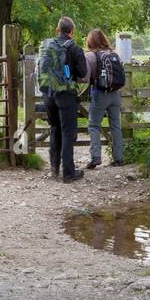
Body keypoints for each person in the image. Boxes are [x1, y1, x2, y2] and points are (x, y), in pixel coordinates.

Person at [36, 17, 88, 183]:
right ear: (71, 31)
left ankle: (54, 169)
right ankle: (68, 173)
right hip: (66, 95)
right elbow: (82, 72)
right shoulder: (74, 48)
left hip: (48, 94)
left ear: (57, 30)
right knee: (67, 131)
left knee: (54, 128)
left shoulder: (46, 45)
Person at [83, 28, 125, 168]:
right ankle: (118, 158)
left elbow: (85, 77)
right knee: (115, 126)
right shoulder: (114, 54)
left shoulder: (91, 56)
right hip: (116, 94)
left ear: (90, 41)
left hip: (100, 93)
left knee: (94, 125)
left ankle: (96, 157)